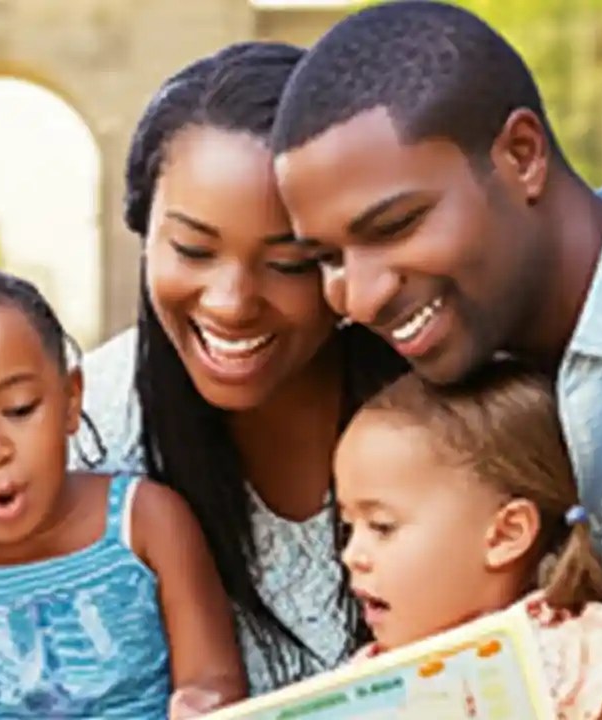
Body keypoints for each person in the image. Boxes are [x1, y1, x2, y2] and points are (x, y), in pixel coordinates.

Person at [269, 0, 602, 666]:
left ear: (521, 156)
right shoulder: (443, 399)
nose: (361, 297)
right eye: (327, 259)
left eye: (396, 226)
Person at [75, 41, 407, 696]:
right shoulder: (88, 437)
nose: (231, 303)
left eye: (287, 264)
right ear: (143, 228)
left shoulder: (447, 413)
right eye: (194, 250)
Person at [0, 263, 247, 719]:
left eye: (18, 409)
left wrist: (201, 702)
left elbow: (215, 682)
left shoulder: (147, 521)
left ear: (71, 399)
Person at [335, 362, 602, 718]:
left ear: (506, 534)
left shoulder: (580, 653)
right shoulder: (363, 687)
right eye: (348, 527)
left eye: (381, 526)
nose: (351, 554)